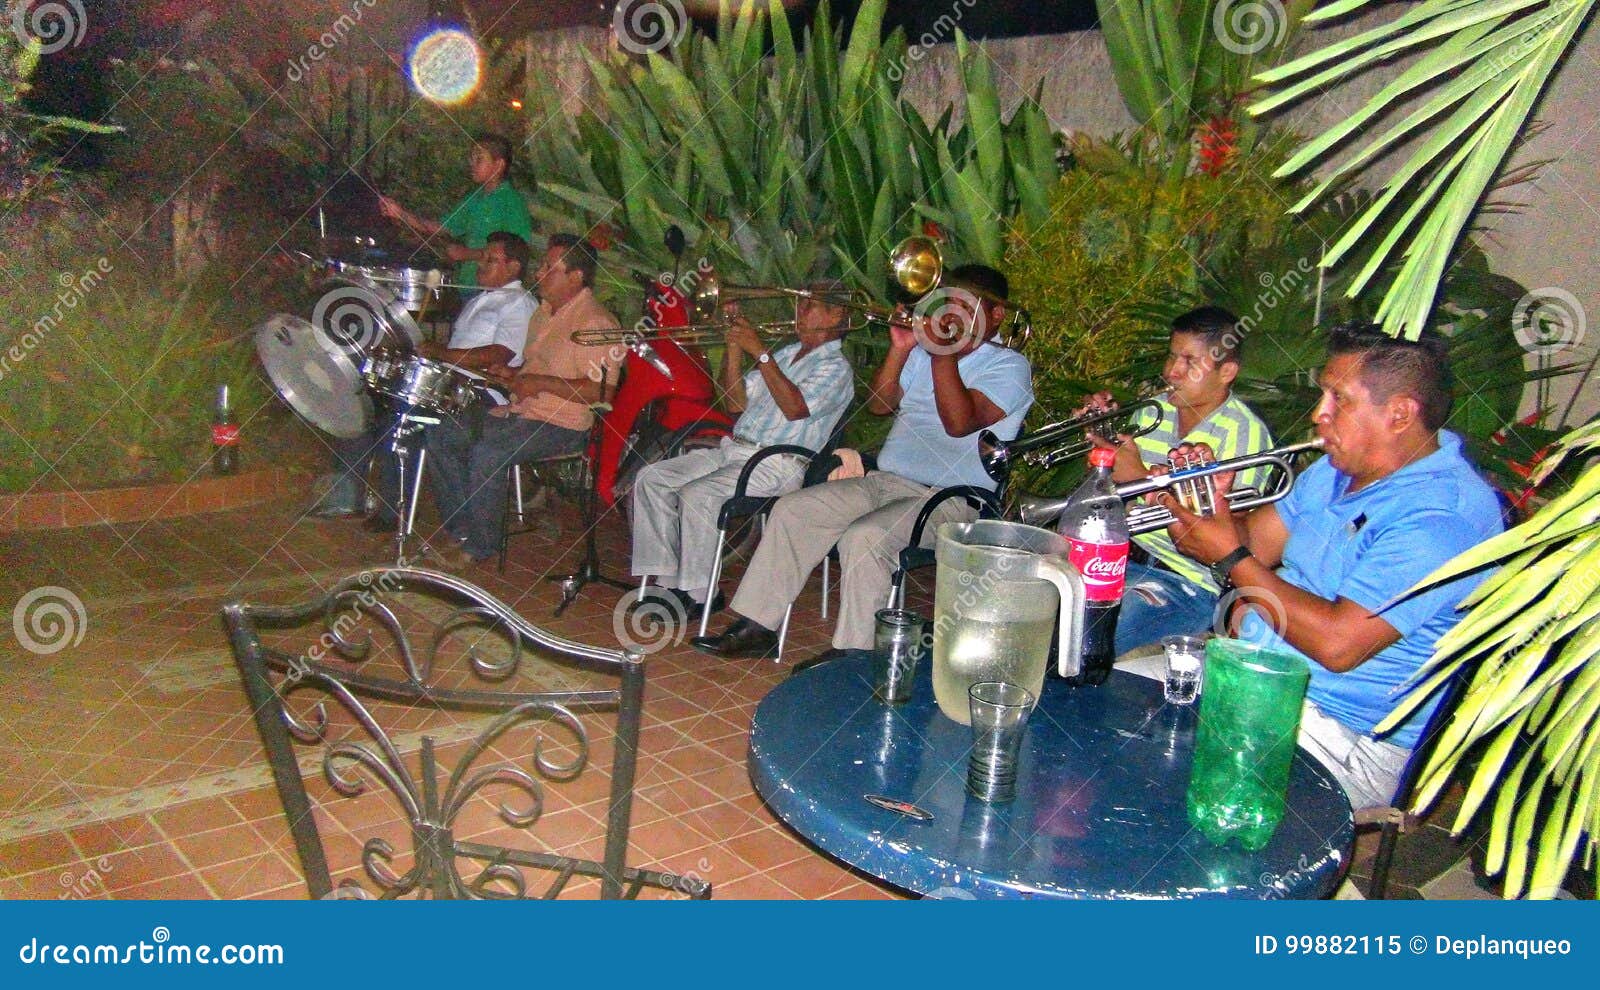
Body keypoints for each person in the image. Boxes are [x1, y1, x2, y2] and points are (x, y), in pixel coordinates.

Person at [1159, 323, 1504, 808]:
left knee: (1153, 768)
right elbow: (1253, 544)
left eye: (1339, 399)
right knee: (1107, 704)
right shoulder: (1334, 471)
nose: (1319, 414)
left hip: (1343, 735)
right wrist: (1202, 504)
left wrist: (1232, 561)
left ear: (1400, 414)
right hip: (1255, 675)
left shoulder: (1441, 516)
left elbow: (1338, 645)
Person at [691, 265, 1033, 664]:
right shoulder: (925, 355)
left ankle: (854, 653)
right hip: (887, 481)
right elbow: (879, 405)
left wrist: (943, 355)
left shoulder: (1009, 367)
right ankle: (757, 627)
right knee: (794, 510)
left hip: (954, 501)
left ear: (995, 316)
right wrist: (902, 348)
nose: (950, 311)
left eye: (964, 304)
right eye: (948, 300)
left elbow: (959, 424)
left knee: (866, 537)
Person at [630, 285, 855, 618]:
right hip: (734, 450)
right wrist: (735, 347)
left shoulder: (837, 368)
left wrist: (760, 352)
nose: (799, 312)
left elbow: (795, 408)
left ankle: (701, 593)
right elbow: (733, 403)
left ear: (836, 316)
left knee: (698, 495)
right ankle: (667, 583)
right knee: (652, 478)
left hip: (777, 463)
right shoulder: (785, 354)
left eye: (809, 305)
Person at [309, 231, 535, 526]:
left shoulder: (518, 303)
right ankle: (346, 499)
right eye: (482, 257)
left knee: (401, 421)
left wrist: (442, 354)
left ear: (514, 267)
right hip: (451, 387)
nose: (481, 265)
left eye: (490, 260)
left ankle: (395, 513)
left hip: (481, 394)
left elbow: (500, 355)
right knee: (362, 407)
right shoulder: (484, 299)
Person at [425, 234, 622, 568]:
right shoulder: (543, 314)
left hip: (562, 424)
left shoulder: (596, 323)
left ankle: (481, 546)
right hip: (523, 411)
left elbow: (601, 392)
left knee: (487, 451)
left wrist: (537, 383)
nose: (539, 273)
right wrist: (511, 373)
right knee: (443, 433)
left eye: (550, 268)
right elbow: (531, 370)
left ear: (576, 276)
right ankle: (463, 529)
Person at [1093, 306, 1274, 652]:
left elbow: (1230, 539)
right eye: (1172, 356)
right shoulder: (1154, 410)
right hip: (1125, 560)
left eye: (1190, 362)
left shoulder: (1244, 432)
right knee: (1044, 599)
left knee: (1096, 633)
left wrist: (1141, 478)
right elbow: (1118, 501)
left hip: (1190, 585)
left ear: (1227, 372)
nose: (1171, 372)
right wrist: (1101, 440)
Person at [377, 133, 532, 291]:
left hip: (494, 292)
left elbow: (517, 252)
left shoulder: (513, 202)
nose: (472, 164)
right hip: (466, 285)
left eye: (479, 159)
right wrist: (400, 214)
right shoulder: (474, 198)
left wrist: (468, 254)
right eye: (471, 159)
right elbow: (441, 227)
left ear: (499, 165)